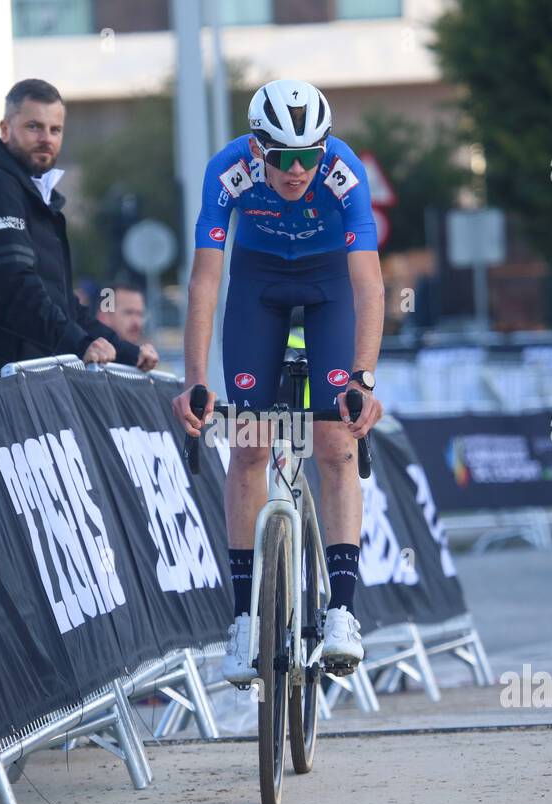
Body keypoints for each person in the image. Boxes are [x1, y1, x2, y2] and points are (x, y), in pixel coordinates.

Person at [171, 79, 385, 684]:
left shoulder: (343, 171)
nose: (296, 170)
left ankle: (342, 611)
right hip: (258, 288)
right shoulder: (227, 170)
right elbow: (205, 283)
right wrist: (194, 379)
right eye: (281, 156)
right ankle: (243, 621)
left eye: (308, 155)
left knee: (336, 440)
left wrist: (363, 380)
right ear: (257, 147)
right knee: (249, 445)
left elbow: (368, 285)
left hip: (328, 290)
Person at [0, 79, 158, 374]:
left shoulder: (35, 195)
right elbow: (16, 288)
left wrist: (126, 351)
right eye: (34, 127)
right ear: (6, 129)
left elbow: (64, 306)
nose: (46, 138)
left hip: (31, 379)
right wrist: (79, 344)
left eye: (55, 130)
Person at [95, 281, 150, 346]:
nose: (136, 322)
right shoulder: (84, 353)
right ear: (104, 317)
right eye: (128, 313)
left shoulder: (148, 354)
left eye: (140, 314)